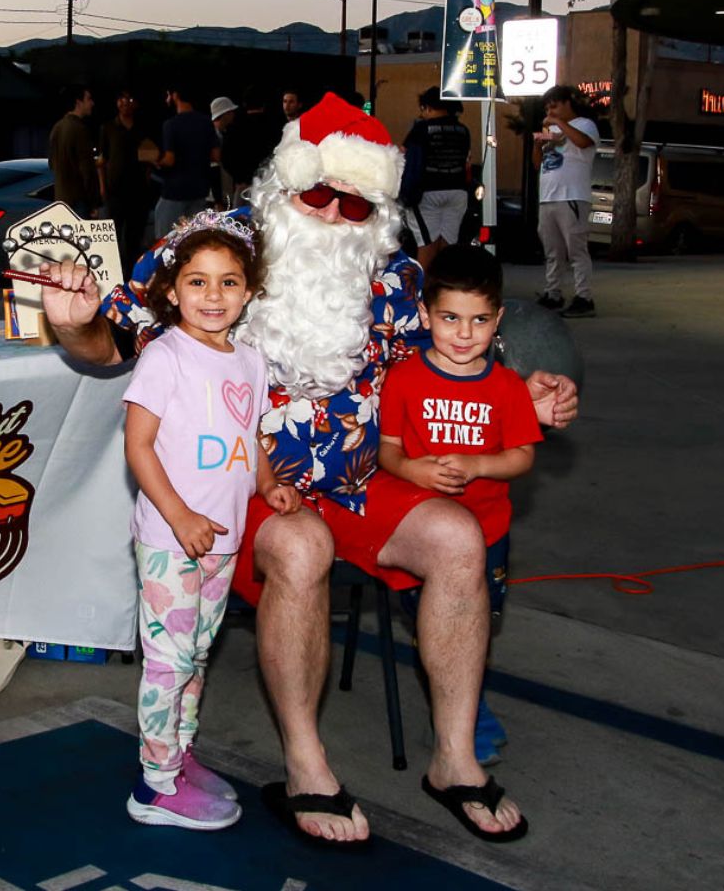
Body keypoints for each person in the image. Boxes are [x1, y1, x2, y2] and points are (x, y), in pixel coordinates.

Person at [40, 93, 578, 846]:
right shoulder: (216, 254)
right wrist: (75, 326)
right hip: (246, 487)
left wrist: (527, 388)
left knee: (458, 537)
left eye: (354, 204)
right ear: (286, 184)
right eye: (319, 194)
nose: (332, 216)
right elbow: (113, 340)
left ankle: (454, 760)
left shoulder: (392, 277)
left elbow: (460, 353)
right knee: (302, 546)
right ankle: (306, 766)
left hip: (363, 479)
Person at [123, 209, 301, 830]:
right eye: (197, 281)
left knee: (197, 654)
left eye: (229, 281)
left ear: (249, 292)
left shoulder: (249, 362)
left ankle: (180, 752)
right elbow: (138, 446)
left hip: (222, 539)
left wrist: (269, 484)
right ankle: (154, 784)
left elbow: (249, 437)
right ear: (173, 292)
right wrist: (179, 516)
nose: (213, 295)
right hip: (172, 540)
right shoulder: (164, 356)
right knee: (168, 660)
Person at [378, 244, 542, 800]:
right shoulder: (404, 378)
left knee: (476, 622)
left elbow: (522, 456)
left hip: (489, 529)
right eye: (450, 318)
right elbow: (388, 449)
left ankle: (468, 709)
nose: (464, 334)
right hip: (420, 528)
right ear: (426, 316)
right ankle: (460, 716)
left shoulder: (507, 386)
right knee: (429, 620)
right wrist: (413, 470)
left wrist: (478, 465)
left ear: (498, 320)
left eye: (478, 320)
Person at [533, 84, 600, 318]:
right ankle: (553, 293)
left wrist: (559, 124)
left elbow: (583, 143)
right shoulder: (552, 130)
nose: (550, 112)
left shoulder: (584, 124)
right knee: (552, 251)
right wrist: (538, 144)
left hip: (572, 196)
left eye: (554, 106)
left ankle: (584, 297)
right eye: (547, 109)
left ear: (567, 103)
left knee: (576, 250)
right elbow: (537, 164)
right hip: (548, 197)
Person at [400, 86, 472, 270]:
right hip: (457, 193)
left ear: (428, 107)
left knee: (426, 245)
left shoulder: (422, 129)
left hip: (427, 193)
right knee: (448, 246)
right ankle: (446, 283)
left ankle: (423, 286)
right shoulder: (463, 130)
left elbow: (406, 156)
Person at [153, 85, 217, 238]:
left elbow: (170, 159)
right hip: (200, 190)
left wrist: (157, 162)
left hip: (175, 191)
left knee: (165, 239)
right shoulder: (206, 122)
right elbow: (215, 156)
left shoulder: (171, 124)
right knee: (193, 238)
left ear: (175, 96)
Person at [98, 89, 151, 271]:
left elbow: (149, 159)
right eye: (121, 98)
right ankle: (112, 272)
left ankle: (132, 274)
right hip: (115, 191)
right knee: (112, 236)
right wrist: (102, 187)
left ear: (135, 103)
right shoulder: (107, 128)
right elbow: (102, 161)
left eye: (129, 98)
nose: (125, 102)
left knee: (134, 238)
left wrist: (147, 181)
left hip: (138, 191)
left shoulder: (143, 128)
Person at [220, 84, 282, 201]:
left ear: (244, 104)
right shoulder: (273, 127)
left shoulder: (235, 128)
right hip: (268, 186)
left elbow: (225, 158)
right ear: (264, 104)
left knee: (240, 213)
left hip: (243, 186)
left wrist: (240, 178)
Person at [48, 84, 99, 218]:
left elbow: (51, 164)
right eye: (88, 99)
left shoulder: (57, 128)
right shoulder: (80, 129)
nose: (92, 103)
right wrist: (93, 202)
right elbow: (87, 170)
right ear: (78, 102)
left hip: (61, 200)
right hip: (79, 201)